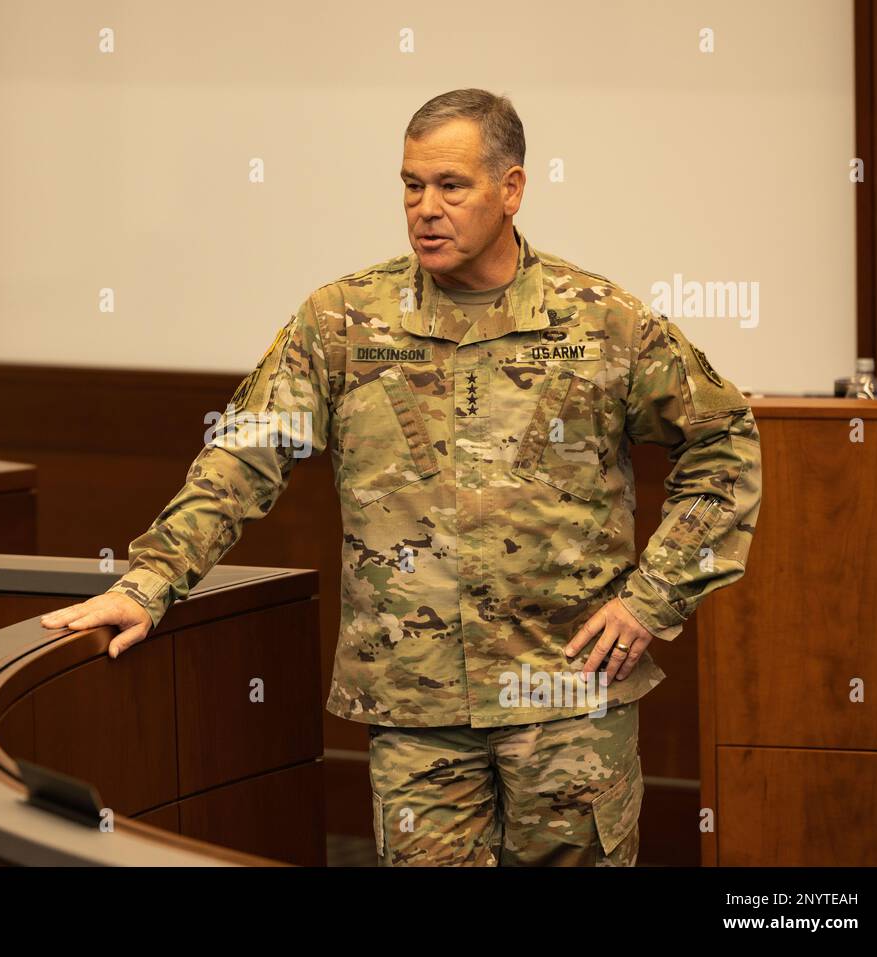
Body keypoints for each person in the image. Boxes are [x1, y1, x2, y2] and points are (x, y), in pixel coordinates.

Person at [40, 88, 762, 866]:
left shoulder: (603, 322)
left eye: (452, 186)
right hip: (417, 708)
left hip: (566, 696)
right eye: (411, 185)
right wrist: (149, 580)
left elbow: (725, 445)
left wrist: (651, 599)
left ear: (511, 189)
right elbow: (243, 455)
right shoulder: (344, 320)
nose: (426, 207)